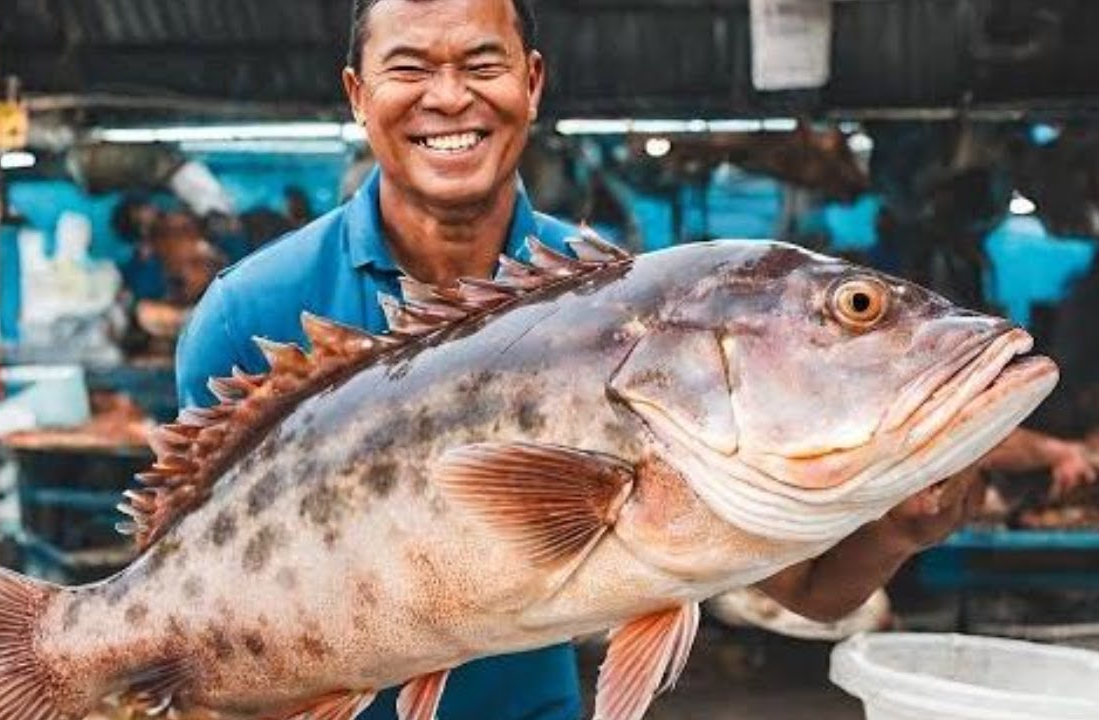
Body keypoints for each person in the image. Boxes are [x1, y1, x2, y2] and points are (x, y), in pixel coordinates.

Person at [175, 0, 1043, 717]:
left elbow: (808, 593)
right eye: (409, 68)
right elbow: (198, 580)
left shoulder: (617, 295)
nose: (449, 97)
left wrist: (897, 528)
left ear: (532, 82)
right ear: (358, 95)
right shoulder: (248, 316)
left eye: (483, 63)